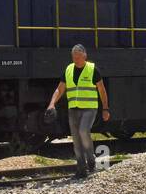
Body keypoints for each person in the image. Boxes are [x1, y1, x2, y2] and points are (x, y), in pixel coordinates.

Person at [46, 44, 109, 177]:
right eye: (74, 57)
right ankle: (81, 169)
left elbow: (102, 90)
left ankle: (91, 160)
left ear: (85, 56)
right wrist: (51, 104)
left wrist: (105, 109)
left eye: (79, 57)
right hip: (73, 109)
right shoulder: (68, 69)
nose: (76, 60)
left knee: (83, 131)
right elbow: (60, 89)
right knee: (76, 139)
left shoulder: (92, 69)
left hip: (89, 108)